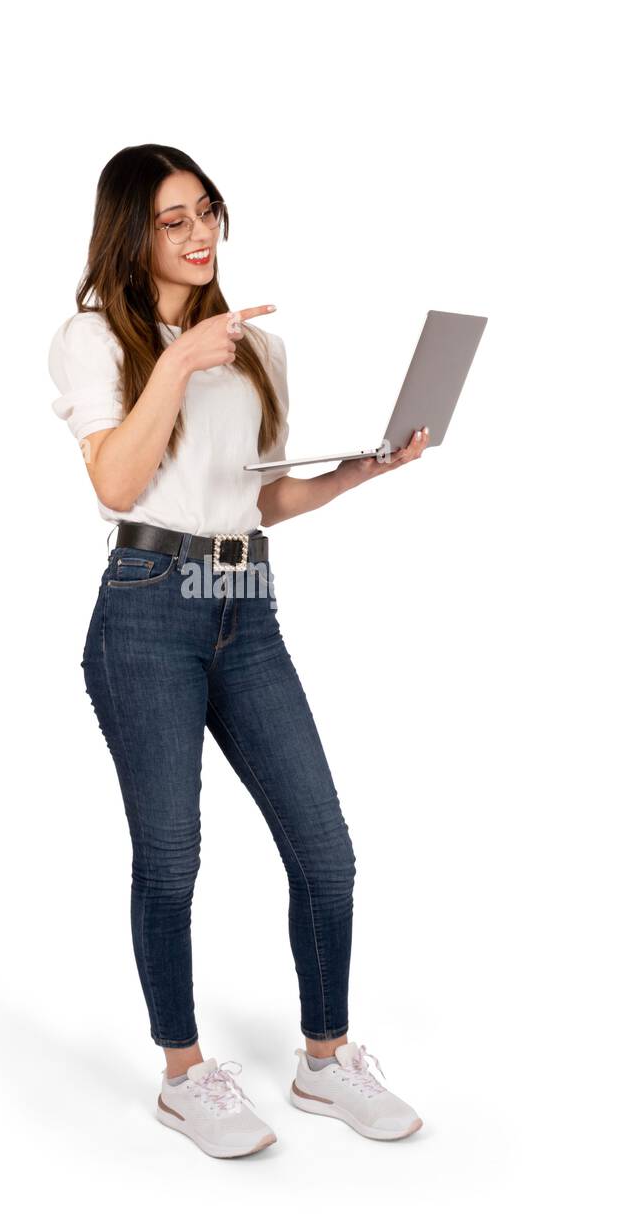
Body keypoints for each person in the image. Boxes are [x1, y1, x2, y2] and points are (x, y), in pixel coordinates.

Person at [48, 143, 426, 1159]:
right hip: (145, 608)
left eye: (207, 210)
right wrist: (173, 359)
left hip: (244, 601)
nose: (199, 232)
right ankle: (183, 1074)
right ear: (131, 234)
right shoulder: (92, 339)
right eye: (172, 219)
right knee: (172, 856)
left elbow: (258, 499)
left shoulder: (260, 352)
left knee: (325, 848)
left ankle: (323, 1059)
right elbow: (118, 485)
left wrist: (361, 471)